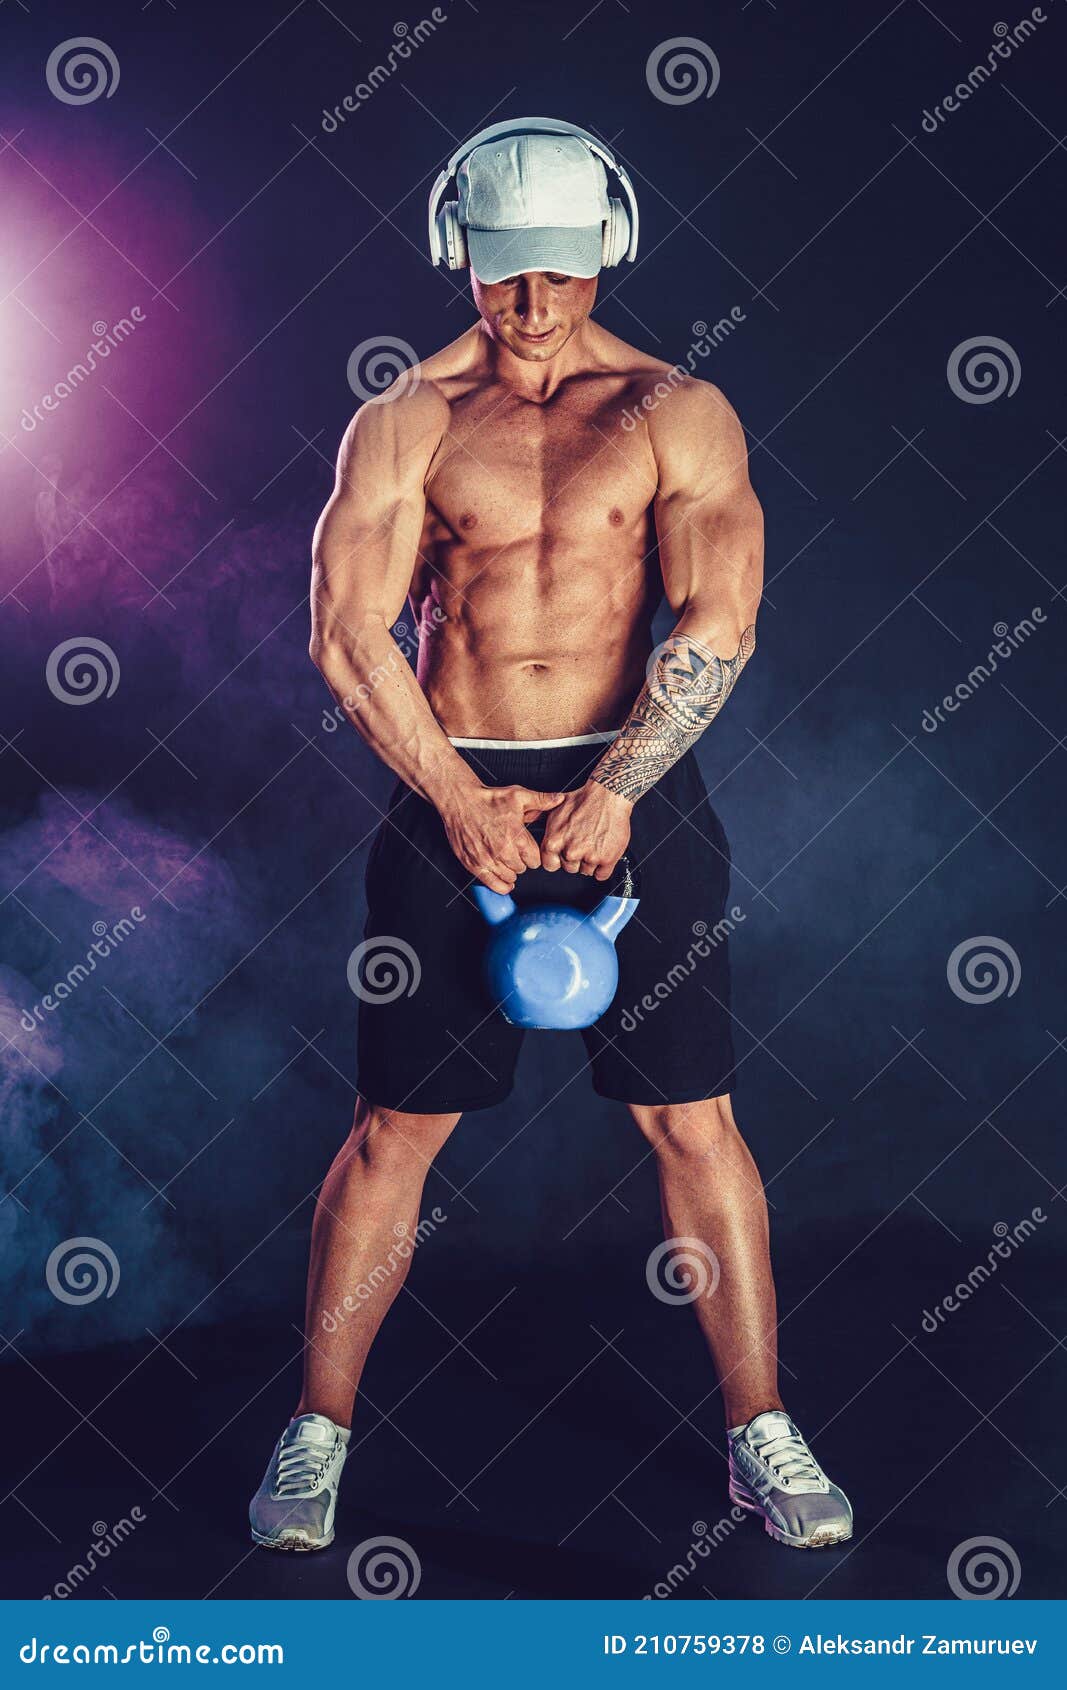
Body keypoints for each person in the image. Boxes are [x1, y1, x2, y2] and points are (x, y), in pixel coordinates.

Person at [249, 119, 851, 1556]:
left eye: (563, 271)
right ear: (459, 252)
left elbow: (721, 617)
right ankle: (317, 1432)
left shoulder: (675, 411)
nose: (533, 303)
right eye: (507, 270)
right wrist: (457, 799)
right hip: (450, 783)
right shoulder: (406, 416)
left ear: (608, 253)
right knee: (393, 1134)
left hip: (632, 789)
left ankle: (761, 1431)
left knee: (692, 1121)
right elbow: (346, 634)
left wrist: (620, 786)